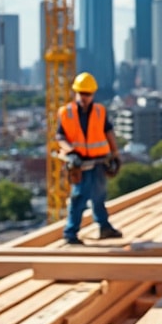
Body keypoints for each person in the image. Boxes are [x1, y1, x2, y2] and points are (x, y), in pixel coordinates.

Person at [57, 72, 123, 245]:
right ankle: (70, 234)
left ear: (93, 94)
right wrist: (71, 152)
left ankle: (104, 228)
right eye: (81, 93)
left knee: (99, 197)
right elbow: (60, 137)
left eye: (87, 94)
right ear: (76, 93)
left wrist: (115, 154)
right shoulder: (66, 112)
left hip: (99, 161)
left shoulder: (100, 111)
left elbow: (108, 132)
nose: (84, 97)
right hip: (79, 164)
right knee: (78, 198)